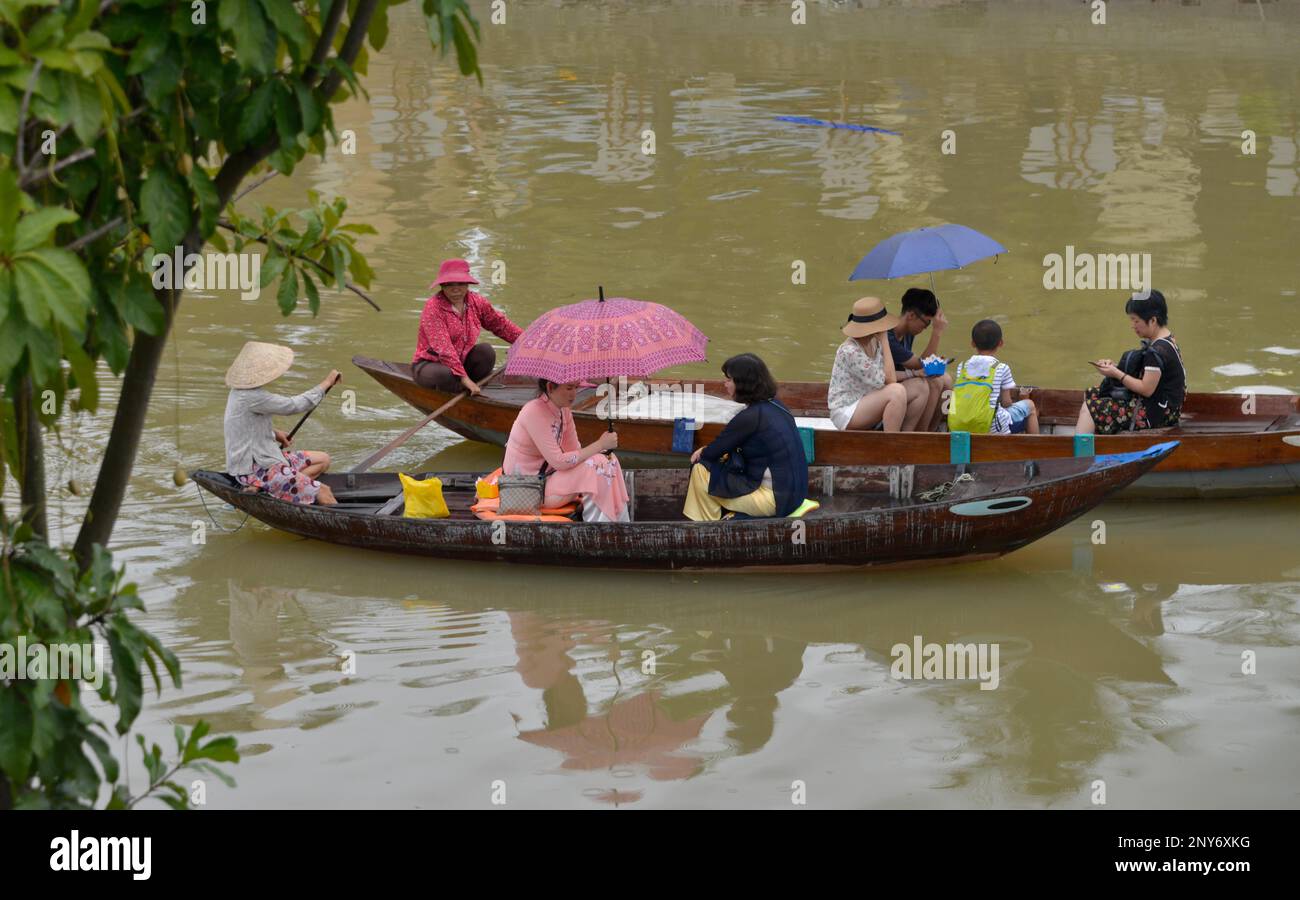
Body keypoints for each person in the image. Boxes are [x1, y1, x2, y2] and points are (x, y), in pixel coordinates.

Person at [685, 354, 810, 521]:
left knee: (700, 468)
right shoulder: (777, 405)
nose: (725, 384)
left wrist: (703, 450)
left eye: (729, 380)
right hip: (796, 496)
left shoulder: (750, 417)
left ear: (742, 384)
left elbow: (711, 453)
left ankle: (706, 527)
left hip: (776, 501)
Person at [223, 341, 341, 505]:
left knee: (323, 459)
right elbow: (294, 405)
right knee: (324, 491)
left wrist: (275, 433)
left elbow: (245, 427)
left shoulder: (238, 392)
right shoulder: (252, 397)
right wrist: (326, 383)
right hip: (256, 468)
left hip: (264, 457)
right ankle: (270, 485)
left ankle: (281, 489)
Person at [502, 380, 630, 522]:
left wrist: (603, 450)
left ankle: (621, 523)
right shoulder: (533, 411)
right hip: (528, 489)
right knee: (597, 465)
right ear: (550, 387)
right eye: (569, 388)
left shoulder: (563, 411)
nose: (574, 393)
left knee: (608, 459)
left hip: (548, 479)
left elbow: (576, 451)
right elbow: (559, 462)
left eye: (576, 387)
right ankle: (600, 530)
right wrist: (600, 445)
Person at [1076, 290, 1186, 435]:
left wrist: (1116, 373)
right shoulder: (1168, 339)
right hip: (1166, 405)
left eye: (1136, 320)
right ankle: (1101, 441)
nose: (1132, 325)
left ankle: (1081, 454)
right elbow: (1151, 375)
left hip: (1157, 413)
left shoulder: (1157, 351)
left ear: (1153, 320)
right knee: (1093, 393)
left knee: (1090, 407)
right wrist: (1114, 368)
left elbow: (1146, 389)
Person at [411, 258, 522, 395]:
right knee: (445, 374)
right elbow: (444, 350)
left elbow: (500, 324)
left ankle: (469, 388)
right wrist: (465, 379)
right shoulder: (433, 308)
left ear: (467, 284)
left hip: (462, 362)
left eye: (461, 284)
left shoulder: (476, 302)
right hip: (431, 365)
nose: (455, 289)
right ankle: (462, 389)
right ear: (442, 286)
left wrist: (524, 342)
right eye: (449, 284)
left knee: (486, 351)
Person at [827, 297, 911, 431]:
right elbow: (890, 380)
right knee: (897, 391)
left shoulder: (873, 342)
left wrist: (914, 374)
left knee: (920, 388)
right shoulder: (850, 351)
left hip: (867, 398)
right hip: (847, 411)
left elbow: (884, 375)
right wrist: (885, 340)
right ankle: (892, 446)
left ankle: (914, 438)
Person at [948, 319, 1039, 435]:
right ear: (1000, 343)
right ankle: (1035, 448)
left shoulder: (962, 367)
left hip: (959, 426)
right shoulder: (1001, 368)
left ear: (973, 343)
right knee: (1030, 406)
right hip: (991, 428)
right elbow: (1006, 403)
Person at [887, 287, 954, 432]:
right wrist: (937, 332)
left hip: (900, 379)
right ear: (911, 315)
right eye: (926, 323)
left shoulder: (908, 332)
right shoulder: (889, 337)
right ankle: (922, 432)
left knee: (946, 379)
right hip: (886, 384)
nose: (926, 328)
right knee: (931, 382)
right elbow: (919, 364)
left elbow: (919, 363)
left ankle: (934, 428)